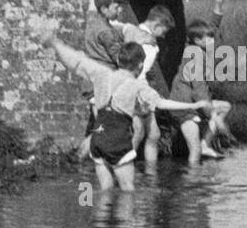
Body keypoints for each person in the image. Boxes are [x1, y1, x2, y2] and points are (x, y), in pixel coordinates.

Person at [46, 32, 210, 191]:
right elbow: (162, 103)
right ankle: (125, 218)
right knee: (128, 191)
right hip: (118, 142)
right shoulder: (138, 86)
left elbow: (76, 61)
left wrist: (55, 43)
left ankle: (97, 215)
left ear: (119, 60)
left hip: (98, 141)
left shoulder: (102, 74)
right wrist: (193, 106)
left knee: (106, 191)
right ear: (140, 65)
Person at [170, 0, 235, 164]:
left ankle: (206, 144)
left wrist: (219, 1)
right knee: (194, 150)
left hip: (194, 102)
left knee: (225, 107)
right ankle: (192, 183)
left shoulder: (201, 46)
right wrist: (212, 116)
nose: (213, 41)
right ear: (198, 41)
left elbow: (213, 25)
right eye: (209, 39)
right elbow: (199, 92)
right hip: (184, 106)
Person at [113, 3, 176, 165]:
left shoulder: (134, 30)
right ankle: (123, 165)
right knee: (138, 132)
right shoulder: (148, 44)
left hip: (137, 89)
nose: (163, 36)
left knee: (153, 134)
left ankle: (149, 172)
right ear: (156, 25)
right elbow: (138, 72)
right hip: (135, 91)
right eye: (163, 31)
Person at [78, 0, 127, 159]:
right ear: (105, 9)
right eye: (117, 7)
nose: (120, 10)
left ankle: (88, 162)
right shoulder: (105, 32)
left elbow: (92, 8)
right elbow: (119, 57)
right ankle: (81, 159)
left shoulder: (93, 21)